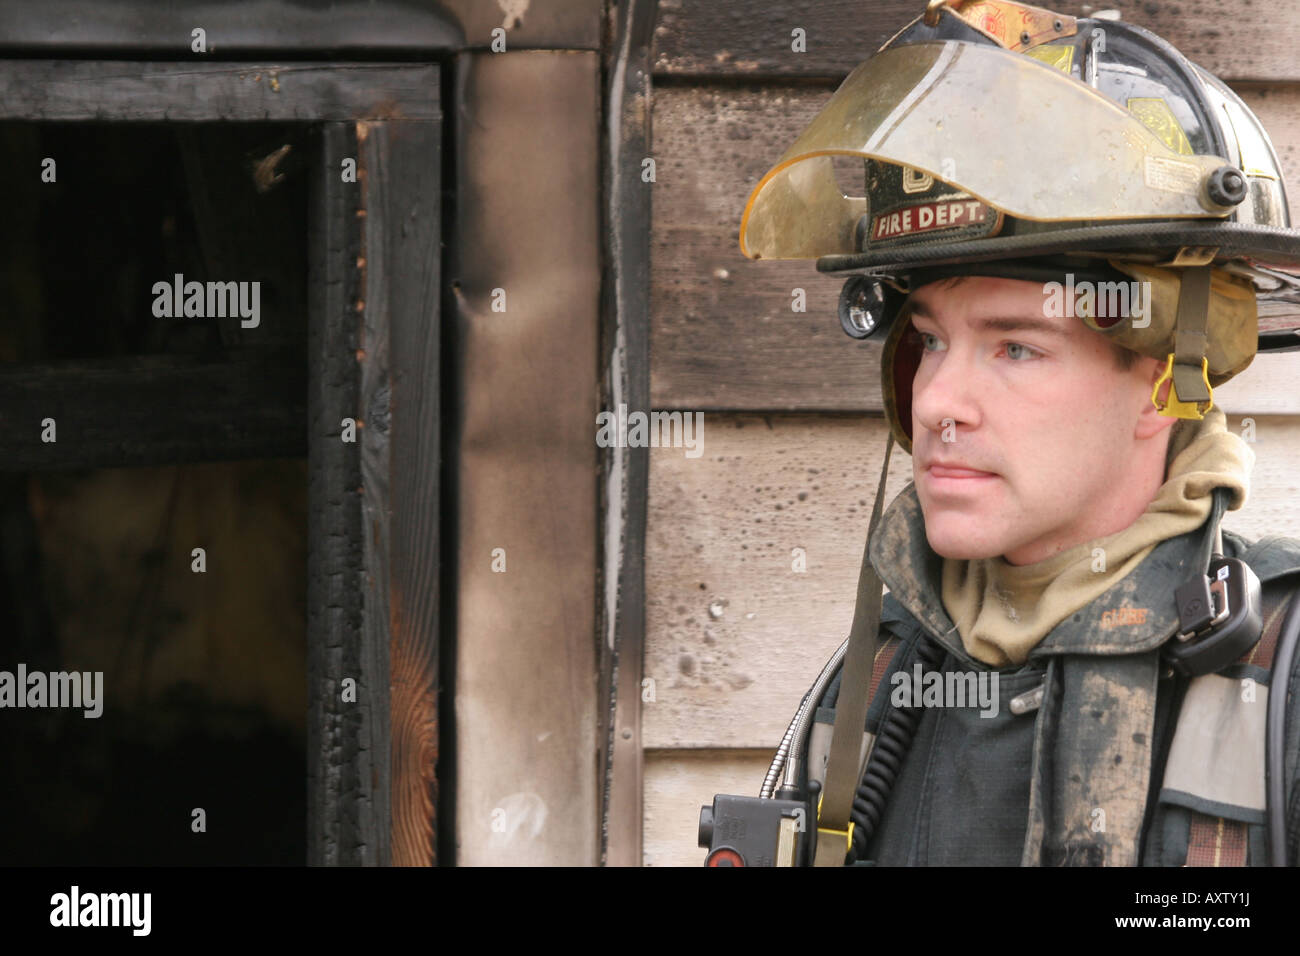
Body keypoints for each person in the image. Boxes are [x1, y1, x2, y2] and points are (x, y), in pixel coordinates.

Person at [734, 0, 1300, 866]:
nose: (936, 404)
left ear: (1162, 385)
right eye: (928, 340)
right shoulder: (865, 692)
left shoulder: (1281, 687)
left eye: (1014, 347)